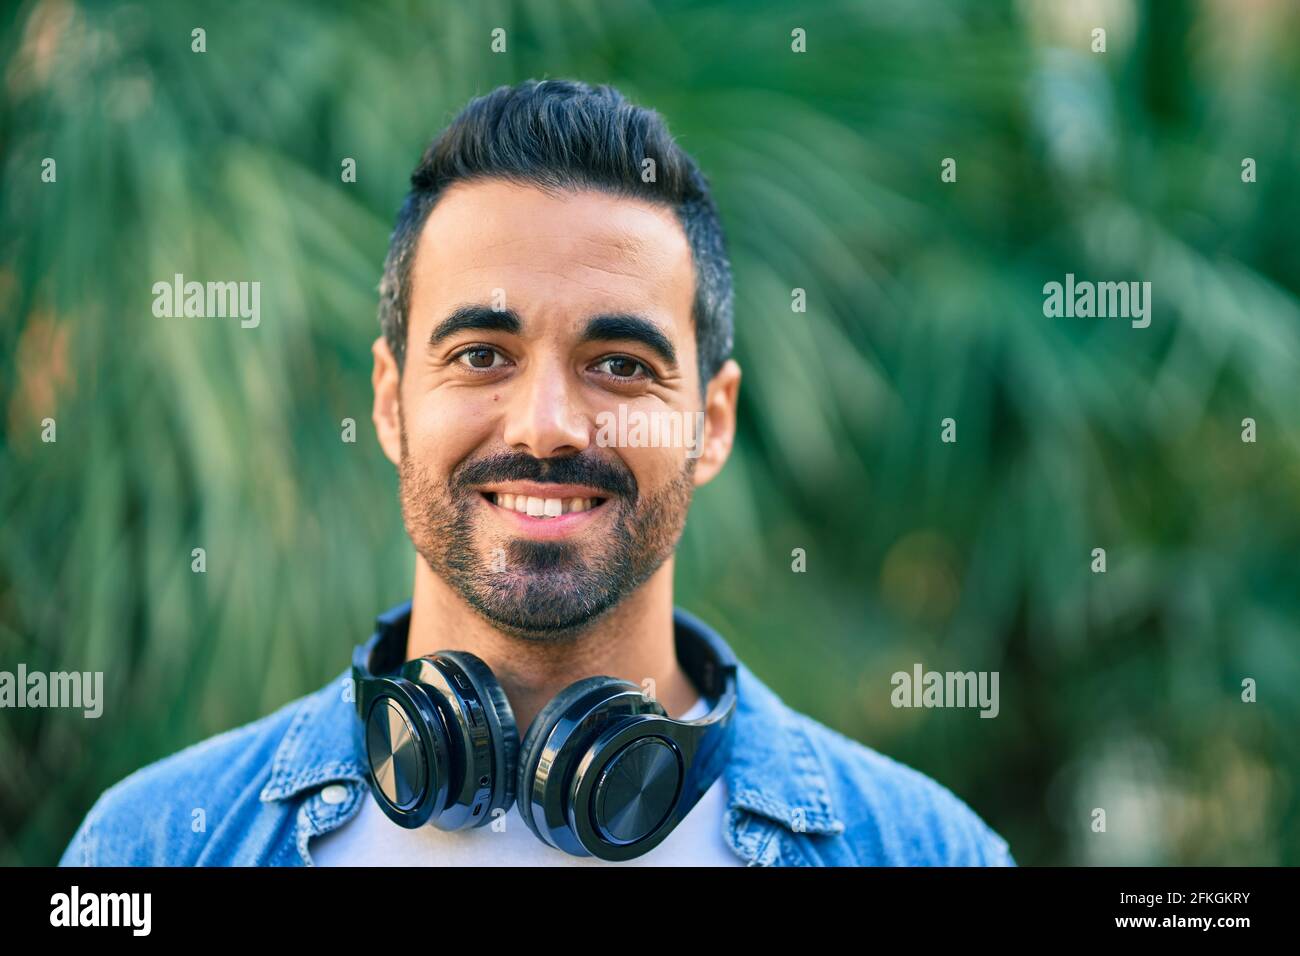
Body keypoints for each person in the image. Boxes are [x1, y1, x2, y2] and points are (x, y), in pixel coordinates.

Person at [59, 79, 1014, 867]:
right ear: (391, 402)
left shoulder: (924, 851)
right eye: (481, 353)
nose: (548, 427)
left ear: (711, 423)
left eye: (621, 365)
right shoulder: (150, 849)